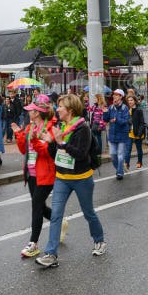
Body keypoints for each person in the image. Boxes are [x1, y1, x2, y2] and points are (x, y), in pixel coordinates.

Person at [35, 94, 106, 268]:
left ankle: (99, 241)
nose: (57, 109)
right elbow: (56, 154)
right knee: (56, 215)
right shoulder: (62, 126)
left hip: (81, 178)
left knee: (88, 212)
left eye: (61, 107)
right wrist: (51, 142)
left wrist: (61, 143)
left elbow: (80, 154)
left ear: (70, 110)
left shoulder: (83, 129)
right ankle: (51, 254)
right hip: (62, 178)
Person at [12, 94, 59, 258]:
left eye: (31, 110)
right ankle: (59, 221)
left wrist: (34, 141)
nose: (28, 112)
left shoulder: (51, 129)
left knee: (36, 206)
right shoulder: (30, 127)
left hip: (46, 174)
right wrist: (19, 134)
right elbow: (24, 150)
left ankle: (33, 243)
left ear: (37, 112)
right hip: (31, 173)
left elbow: (47, 152)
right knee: (39, 205)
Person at [103, 89, 130, 180]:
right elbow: (106, 120)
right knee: (113, 155)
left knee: (120, 155)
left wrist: (116, 119)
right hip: (112, 135)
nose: (114, 96)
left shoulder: (125, 108)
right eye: (114, 94)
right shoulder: (110, 107)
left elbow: (125, 121)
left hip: (122, 135)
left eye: (116, 95)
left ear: (121, 96)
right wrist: (105, 112)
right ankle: (120, 168)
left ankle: (119, 173)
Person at [126, 94, 145, 169]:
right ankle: (127, 164)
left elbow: (142, 122)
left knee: (139, 149)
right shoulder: (128, 110)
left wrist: (139, 133)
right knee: (128, 149)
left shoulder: (139, 110)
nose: (130, 102)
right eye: (129, 100)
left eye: (131, 100)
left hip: (138, 133)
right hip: (130, 133)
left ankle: (139, 162)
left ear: (135, 101)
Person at [86, 93, 107, 158]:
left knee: (98, 137)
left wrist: (100, 126)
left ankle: (99, 152)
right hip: (94, 123)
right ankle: (97, 151)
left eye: (95, 98)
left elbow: (103, 117)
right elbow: (89, 109)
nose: (94, 99)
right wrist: (87, 101)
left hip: (98, 124)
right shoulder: (95, 106)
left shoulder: (102, 106)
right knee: (95, 137)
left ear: (99, 99)